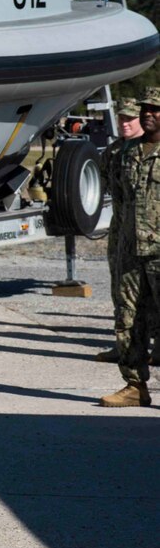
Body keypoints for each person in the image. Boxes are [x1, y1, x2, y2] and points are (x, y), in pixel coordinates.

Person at [101, 87, 160, 407]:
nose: (149, 113)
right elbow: (119, 200)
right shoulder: (125, 153)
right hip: (130, 251)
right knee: (128, 319)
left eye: (156, 109)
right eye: (146, 108)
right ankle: (135, 386)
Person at [96, 99, 146, 364]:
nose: (124, 123)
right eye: (121, 118)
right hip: (120, 229)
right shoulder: (114, 151)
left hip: (149, 231)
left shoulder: (151, 149)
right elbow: (102, 184)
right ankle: (123, 346)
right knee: (120, 289)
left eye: (130, 119)